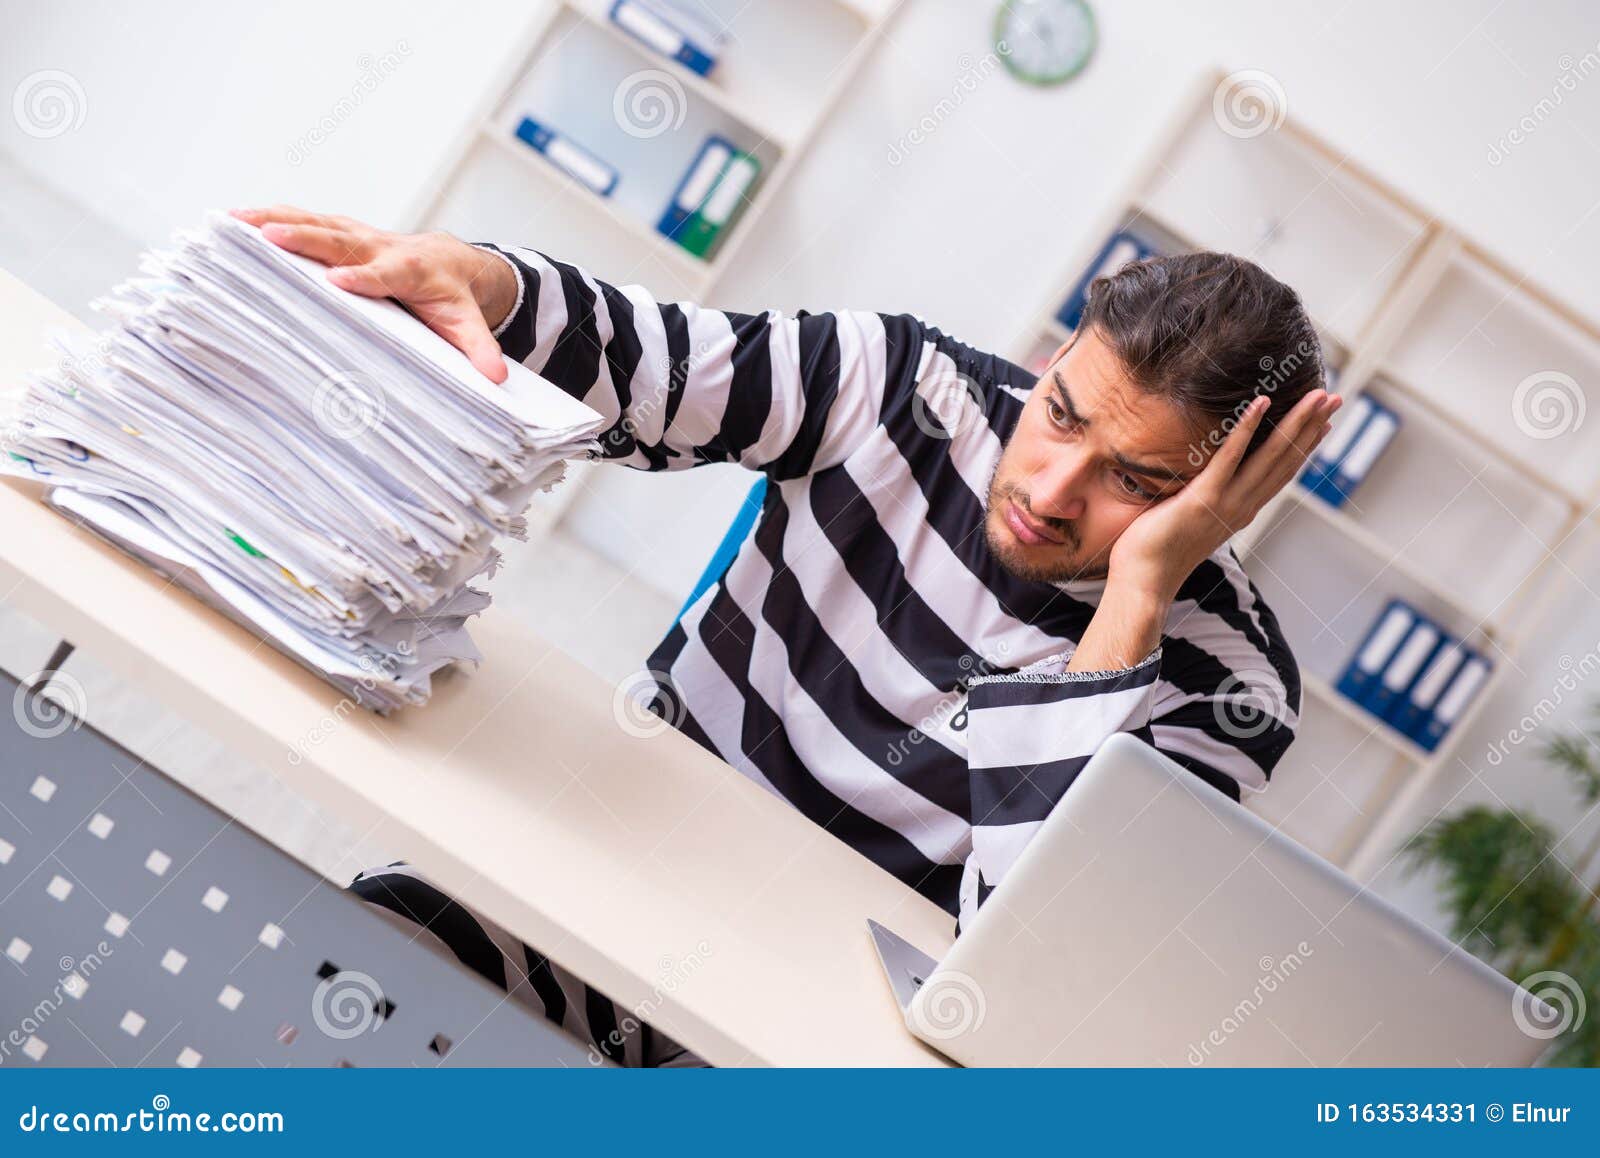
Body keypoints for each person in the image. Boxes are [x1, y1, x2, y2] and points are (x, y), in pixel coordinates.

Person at [233, 206, 1338, 1066]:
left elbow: (1014, 970)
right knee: (333, 991)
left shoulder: (1226, 686)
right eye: (1061, 415)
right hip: (594, 883)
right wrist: (486, 281)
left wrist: (1135, 598)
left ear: (1230, 498)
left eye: (1135, 482)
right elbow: (653, 366)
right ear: (1056, 359)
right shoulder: (902, 387)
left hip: (793, 1054)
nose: (1051, 490)